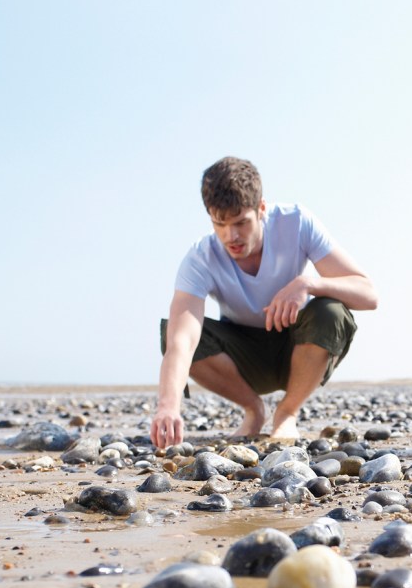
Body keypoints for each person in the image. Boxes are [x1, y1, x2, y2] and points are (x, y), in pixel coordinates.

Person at [150, 157, 377, 448]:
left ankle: (287, 412)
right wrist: (168, 406)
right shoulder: (200, 257)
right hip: (244, 361)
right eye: (219, 224)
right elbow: (182, 338)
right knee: (172, 329)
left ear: (261, 209)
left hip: (298, 347)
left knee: (331, 311)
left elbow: (368, 294)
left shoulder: (296, 222)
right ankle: (254, 409)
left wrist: (307, 283)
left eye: (241, 223)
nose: (230, 236)